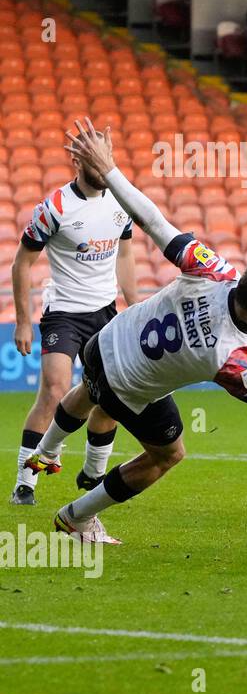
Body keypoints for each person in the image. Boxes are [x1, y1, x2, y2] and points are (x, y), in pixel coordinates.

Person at [25, 120, 247, 544]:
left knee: (87, 388)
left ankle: (45, 451)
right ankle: (76, 517)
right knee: (167, 455)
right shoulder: (233, 359)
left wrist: (111, 169)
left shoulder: (212, 269)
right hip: (128, 385)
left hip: (104, 342)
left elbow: (151, 219)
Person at [10, 147, 139, 506]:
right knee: (54, 389)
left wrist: (135, 303)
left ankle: (93, 473)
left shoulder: (121, 201)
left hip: (105, 312)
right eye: (93, 160)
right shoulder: (54, 208)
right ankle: (26, 481)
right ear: (78, 162)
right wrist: (23, 321)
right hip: (64, 312)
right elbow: (22, 264)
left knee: (111, 396)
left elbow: (125, 254)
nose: (101, 166)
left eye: (105, 158)